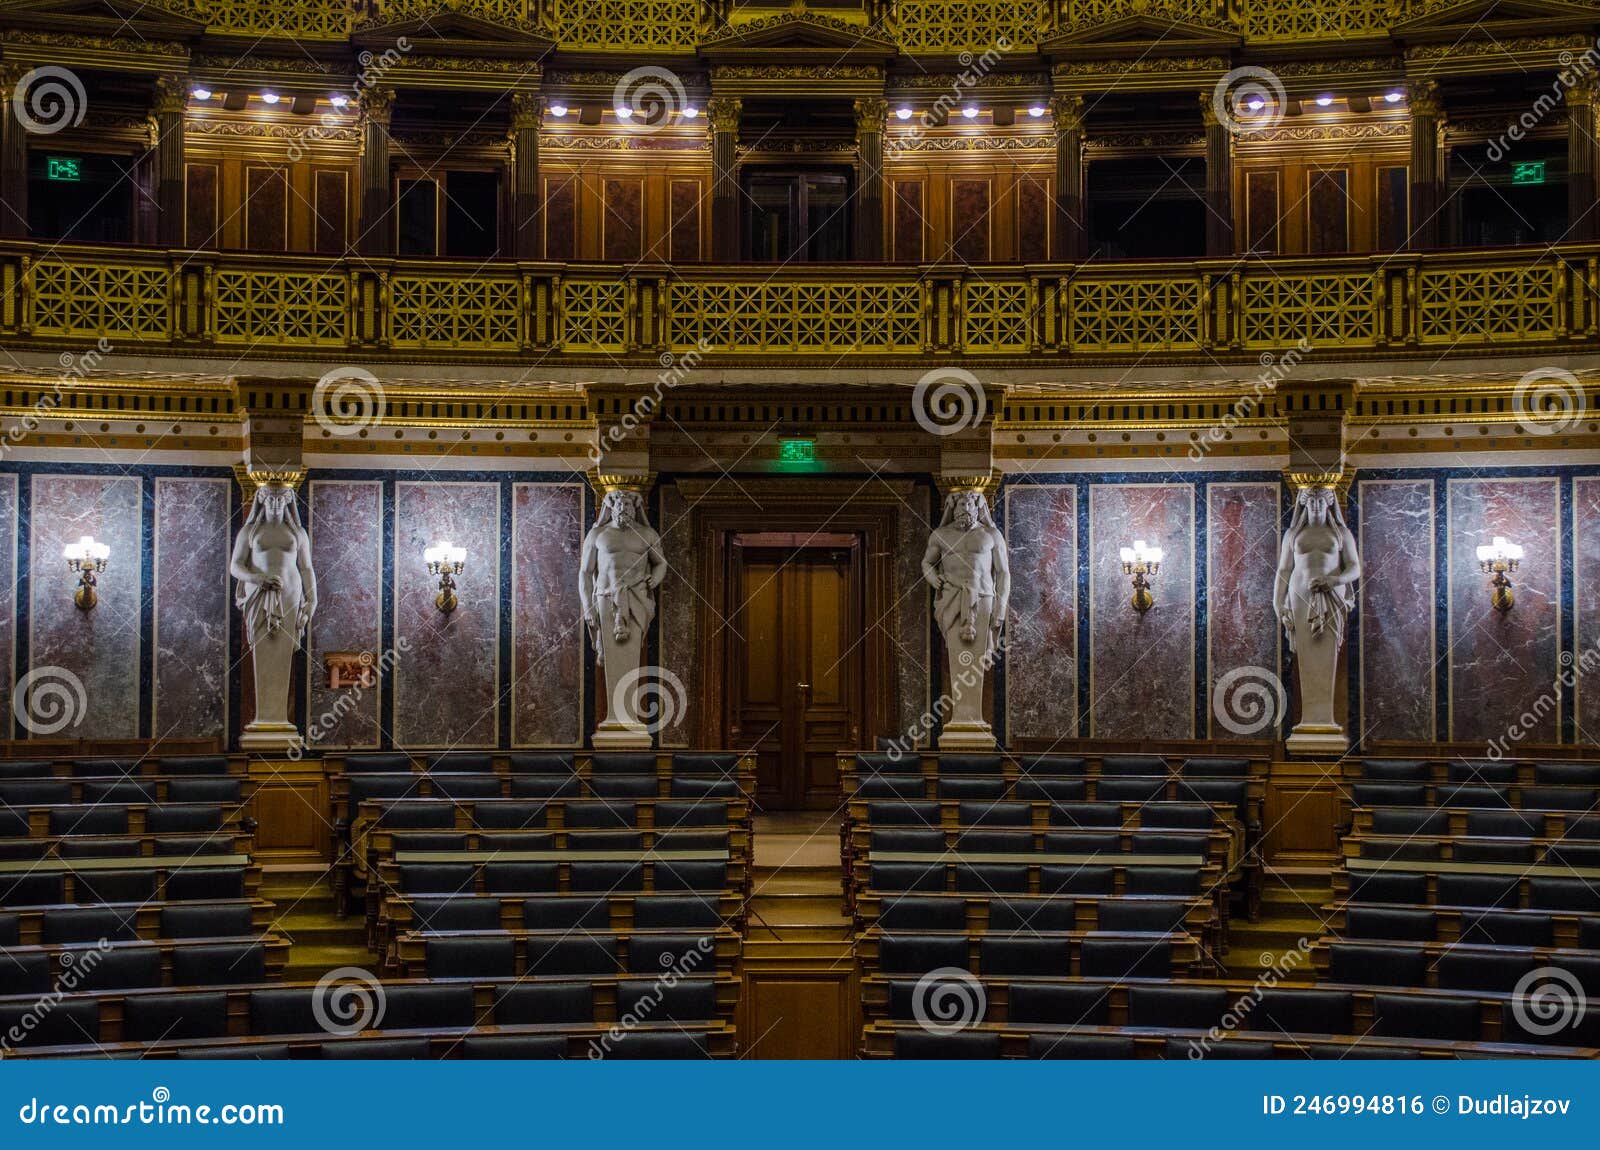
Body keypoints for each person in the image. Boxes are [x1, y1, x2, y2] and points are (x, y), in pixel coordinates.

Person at [921, 488, 1010, 742]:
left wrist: (1000, 611)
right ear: (952, 508)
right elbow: (927, 562)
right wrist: (933, 578)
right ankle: (960, 721)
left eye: (969, 505)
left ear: (978, 507)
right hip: (951, 600)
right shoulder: (941, 535)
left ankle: (972, 721)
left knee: (977, 660)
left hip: (983, 601)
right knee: (957, 658)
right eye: (959, 505)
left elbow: (1003, 573)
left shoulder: (991, 535)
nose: (964, 510)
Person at [1274, 484, 1360, 745]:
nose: (1315, 508)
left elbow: (1355, 568)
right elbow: (1284, 570)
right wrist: (1278, 604)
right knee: (1306, 656)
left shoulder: (1341, 533)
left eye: (1321, 503)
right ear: (1303, 504)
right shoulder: (1292, 534)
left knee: (1326, 656)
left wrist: (1333, 580)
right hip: (1299, 597)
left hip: (1331, 598)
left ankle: (1325, 722)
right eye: (1310, 503)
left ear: (1329, 504)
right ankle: (1308, 722)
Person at [231, 481, 317, 742]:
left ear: (289, 501)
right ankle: (264, 721)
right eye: (271, 499)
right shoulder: (249, 532)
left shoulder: (298, 533)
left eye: (282, 499)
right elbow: (235, 566)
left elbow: (306, 568)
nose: (276, 504)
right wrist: (258, 578)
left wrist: (311, 600)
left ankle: (279, 721)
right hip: (259, 596)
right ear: (262, 500)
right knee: (263, 653)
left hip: (290, 596)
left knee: (283, 654)